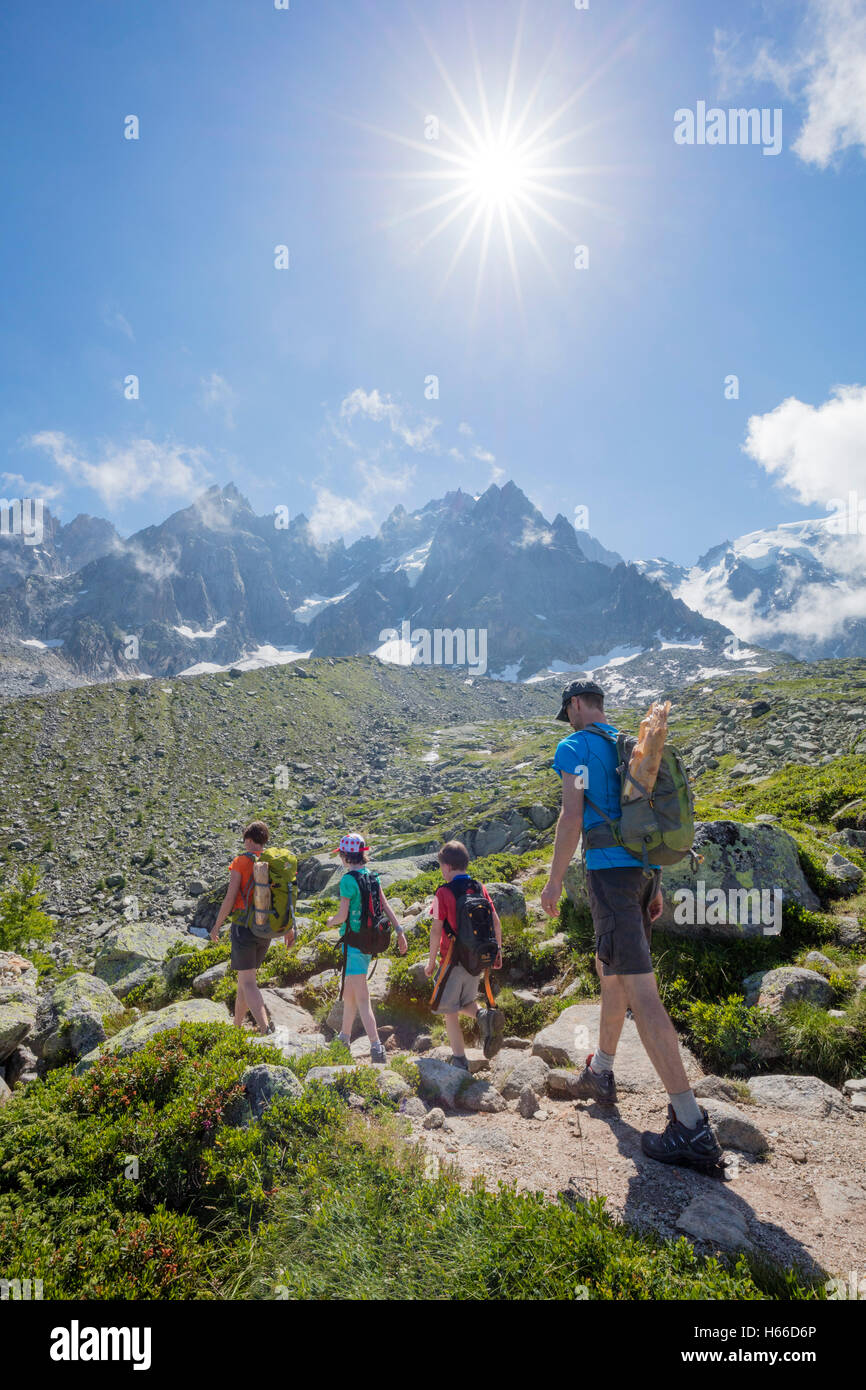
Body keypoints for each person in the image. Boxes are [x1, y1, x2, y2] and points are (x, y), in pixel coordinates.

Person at [540, 680, 722, 1172]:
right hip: (641, 872)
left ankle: (690, 1125)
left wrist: (554, 882)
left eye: (569, 712)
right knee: (610, 972)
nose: (570, 719)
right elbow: (642, 817)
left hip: (610, 877)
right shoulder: (628, 743)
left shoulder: (574, 746)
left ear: (575, 706)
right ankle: (601, 1071)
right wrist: (655, 882)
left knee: (642, 992)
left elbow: (571, 817)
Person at [326, 832, 407, 1064]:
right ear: (362, 854)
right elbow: (385, 904)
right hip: (370, 942)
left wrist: (330, 921)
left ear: (344, 857)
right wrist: (399, 930)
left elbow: (342, 916)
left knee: (362, 998)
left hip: (353, 944)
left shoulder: (347, 880)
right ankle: (343, 1038)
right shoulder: (373, 876)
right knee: (350, 995)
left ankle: (376, 1047)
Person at [210, 820, 293, 1034]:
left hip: (243, 928)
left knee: (248, 983)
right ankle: (237, 1027)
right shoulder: (272, 863)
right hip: (264, 928)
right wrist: (288, 927)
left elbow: (230, 897)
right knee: (244, 981)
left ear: (248, 840)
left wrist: (217, 925)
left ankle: (266, 1028)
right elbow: (283, 898)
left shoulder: (240, 862)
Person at [425, 840, 502, 1071]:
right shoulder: (479, 887)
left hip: (453, 959)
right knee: (465, 1002)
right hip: (477, 959)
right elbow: (495, 921)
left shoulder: (443, 891)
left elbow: (437, 929)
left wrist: (431, 962)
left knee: (449, 1011)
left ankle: (459, 1059)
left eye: (441, 867)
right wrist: (497, 951)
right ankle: (483, 1016)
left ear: (447, 867)